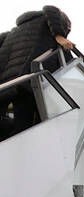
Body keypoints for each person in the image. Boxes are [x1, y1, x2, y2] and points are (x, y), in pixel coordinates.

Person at [0, 7, 74, 141]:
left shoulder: (14, 32)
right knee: (25, 128)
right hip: (26, 81)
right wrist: (59, 36)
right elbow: (51, 9)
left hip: (6, 84)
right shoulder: (47, 21)